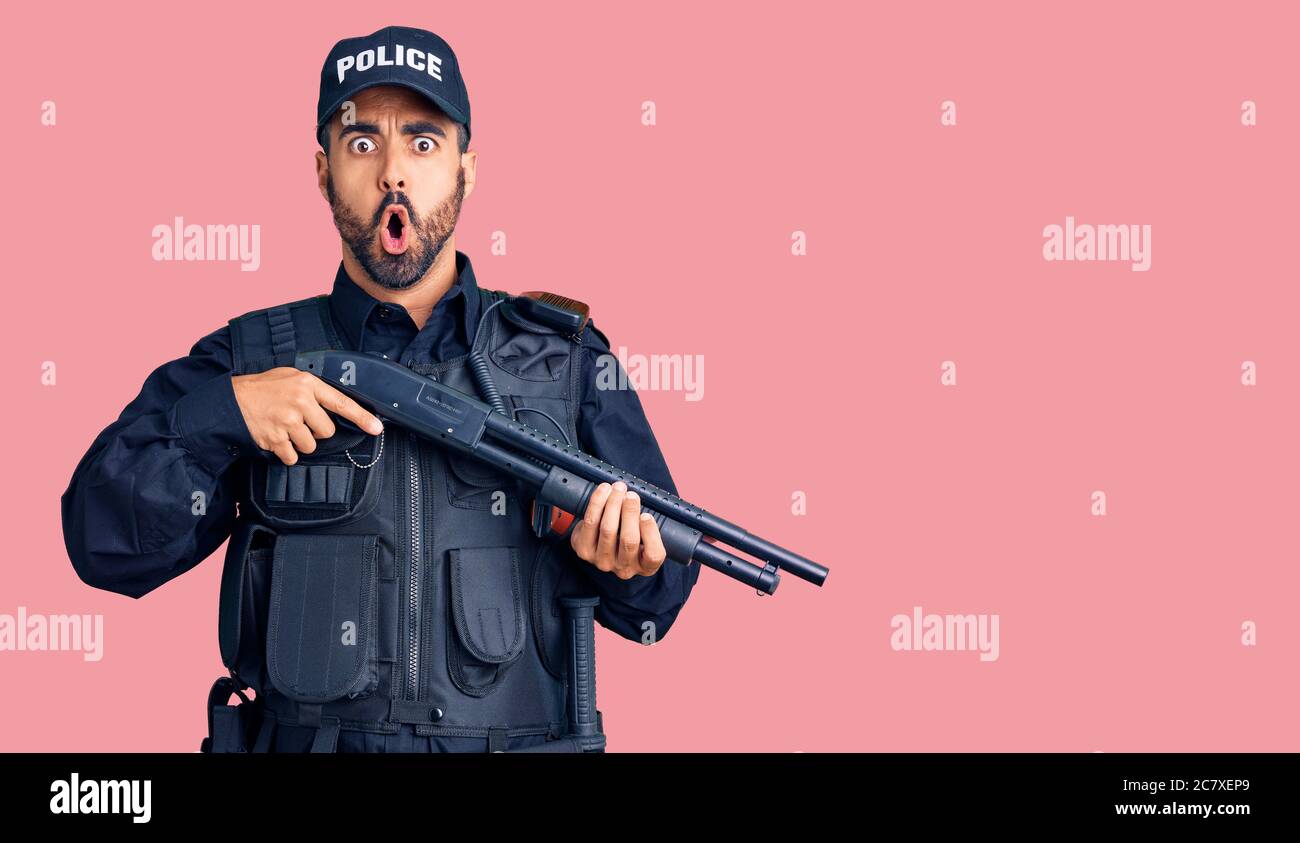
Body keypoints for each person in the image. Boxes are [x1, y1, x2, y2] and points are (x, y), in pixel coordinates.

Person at [60, 25, 701, 752]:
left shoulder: (567, 360)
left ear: (467, 166)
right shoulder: (252, 358)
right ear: (323, 169)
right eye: (362, 143)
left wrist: (629, 561)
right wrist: (223, 415)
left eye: (423, 142)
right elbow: (99, 544)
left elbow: (660, 600)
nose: (393, 172)